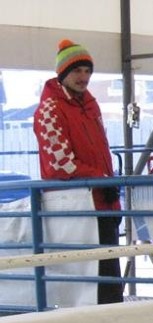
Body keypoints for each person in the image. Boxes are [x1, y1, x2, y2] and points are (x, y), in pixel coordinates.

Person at [33, 39, 122, 304]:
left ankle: (113, 321)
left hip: (102, 202)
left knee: (108, 274)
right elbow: (60, 163)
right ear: (62, 73)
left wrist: (107, 183)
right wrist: (102, 179)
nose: (84, 77)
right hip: (76, 207)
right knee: (85, 279)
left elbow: (101, 151)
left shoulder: (91, 106)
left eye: (87, 71)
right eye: (77, 71)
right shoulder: (50, 110)